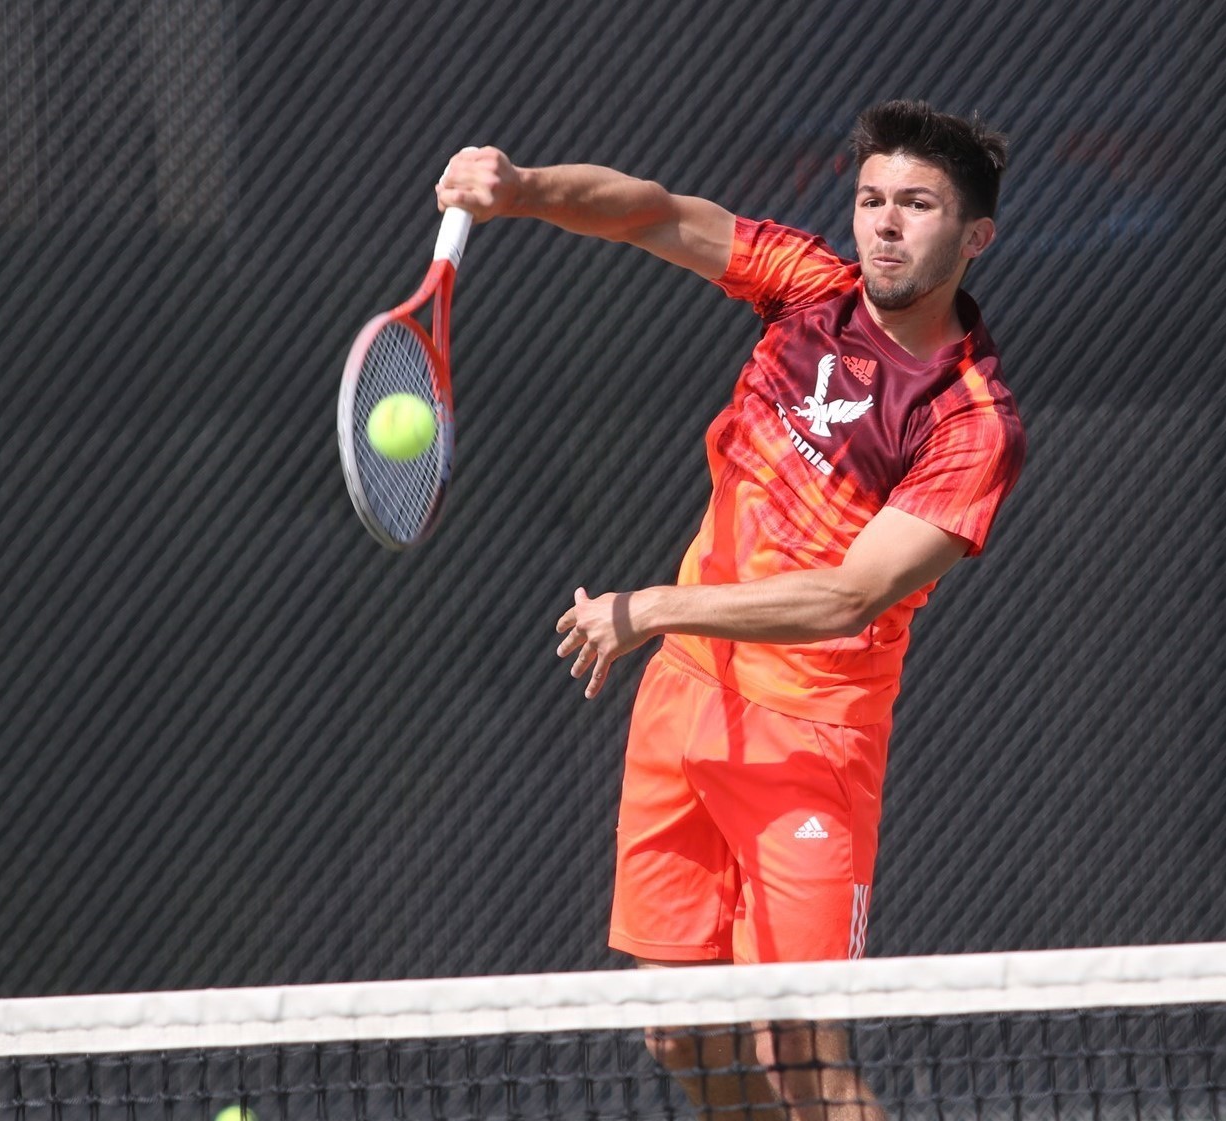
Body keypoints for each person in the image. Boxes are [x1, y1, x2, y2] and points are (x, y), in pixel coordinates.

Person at [437, 100, 1025, 1121]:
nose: (884, 223)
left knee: (800, 1056)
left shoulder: (969, 421)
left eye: (917, 205)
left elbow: (850, 593)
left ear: (973, 235)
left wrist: (656, 606)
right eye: (870, 198)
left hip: (809, 736)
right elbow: (651, 213)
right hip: (684, 703)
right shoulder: (805, 288)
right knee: (678, 1025)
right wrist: (522, 188)